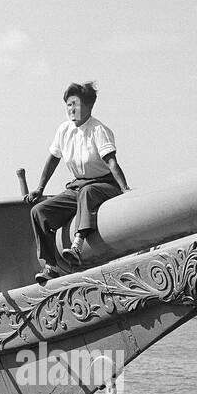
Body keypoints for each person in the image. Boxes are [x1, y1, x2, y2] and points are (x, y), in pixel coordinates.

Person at [25, 82, 130, 283]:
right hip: (78, 185)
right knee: (39, 212)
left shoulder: (99, 130)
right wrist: (40, 188)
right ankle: (50, 265)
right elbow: (53, 159)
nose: (71, 109)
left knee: (87, 192)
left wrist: (124, 189)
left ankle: (77, 246)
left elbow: (111, 162)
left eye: (76, 104)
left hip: (104, 184)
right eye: (68, 105)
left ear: (89, 106)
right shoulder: (64, 130)